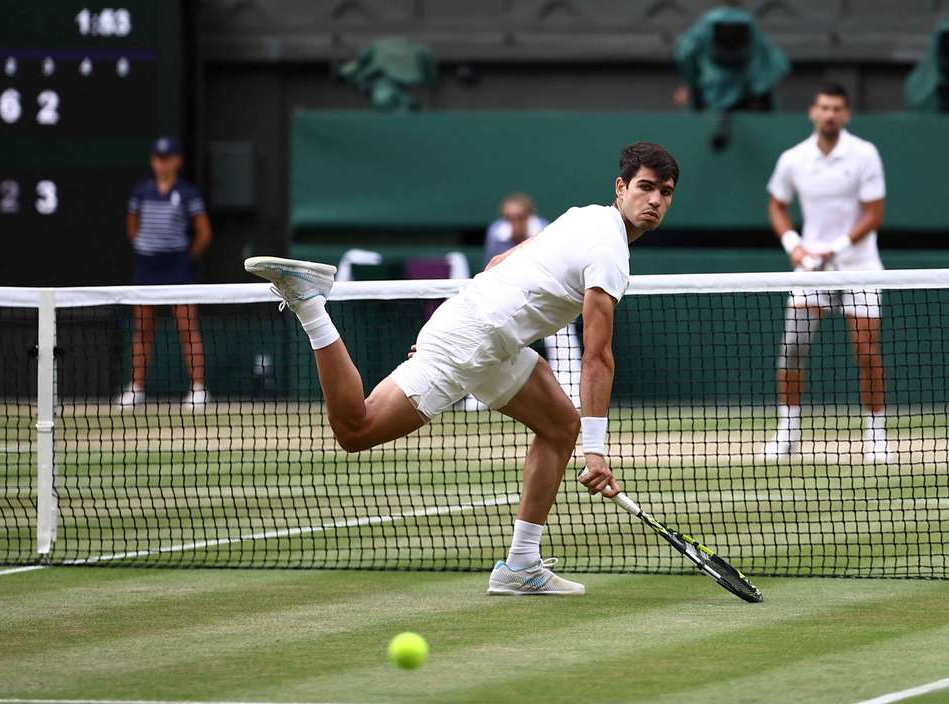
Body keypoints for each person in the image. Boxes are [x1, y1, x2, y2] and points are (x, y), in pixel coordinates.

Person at [247, 142, 679, 595]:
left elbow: (497, 262)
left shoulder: (582, 215)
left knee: (558, 426)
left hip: (487, 335)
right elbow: (597, 357)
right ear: (621, 187)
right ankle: (310, 304)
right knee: (356, 428)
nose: (654, 201)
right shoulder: (610, 251)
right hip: (474, 338)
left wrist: (455, 326)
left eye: (664, 193)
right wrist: (596, 452)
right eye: (645, 188)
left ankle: (521, 566)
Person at [761, 84, 893, 463]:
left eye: (836, 108)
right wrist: (795, 247)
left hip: (861, 268)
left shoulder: (864, 154)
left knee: (867, 352)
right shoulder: (793, 159)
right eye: (824, 108)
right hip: (810, 271)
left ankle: (876, 437)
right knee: (792, 351)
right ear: (812, 113)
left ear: (846, 114)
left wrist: (834, 248)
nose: (830, 114)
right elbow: (778, 206)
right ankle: (787, 434)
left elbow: (874, 215)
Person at [118, 136, 213, 409]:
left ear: (177, 162)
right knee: (143, 330)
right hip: (147, 269)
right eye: (158, 158)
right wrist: (147, 247)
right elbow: (132, 227)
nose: (162, 163)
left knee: (187, 329)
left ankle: (197, 389)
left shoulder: (188, 194)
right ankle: (136, 388)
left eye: (167, 158)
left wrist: (184, 257)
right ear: (153, 161)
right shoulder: (141, 192)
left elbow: (204, 233)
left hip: (177, 269)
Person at [485, 193, 581, 407]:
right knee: (490, 339)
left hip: (548, 300)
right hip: (510, 302)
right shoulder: (495, 234)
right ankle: (480, 397)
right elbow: (492, 268)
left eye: (519, 216)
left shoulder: (545, 230)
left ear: (528, 216)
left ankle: (572, 393)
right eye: (509, 217)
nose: (514, 222)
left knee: (562, 339)